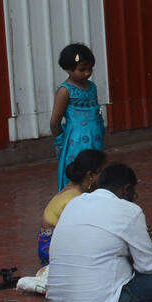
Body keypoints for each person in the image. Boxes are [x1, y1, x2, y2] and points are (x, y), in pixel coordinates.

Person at [46, 164, 152, 302]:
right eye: (134, 193)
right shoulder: (129, 210)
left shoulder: (74, 204)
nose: (134, 197)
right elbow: (149, 267)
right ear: (127, 189)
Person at [51, 43, 105, 191]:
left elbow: (96, 112)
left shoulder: (92, 87)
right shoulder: (65, 91)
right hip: (76, 142)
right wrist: (60, 143)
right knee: (80, 173)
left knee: (95, 172)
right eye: (82, 69)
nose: (87, 73)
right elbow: (55, 121)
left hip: (95, 139)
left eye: (90, 68)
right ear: (68, 69)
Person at [40, 149, 108, 265]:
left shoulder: (76, 187)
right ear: (90, 175)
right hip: (51, 249)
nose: (105, 175)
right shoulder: (76, 199)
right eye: (102, 171)